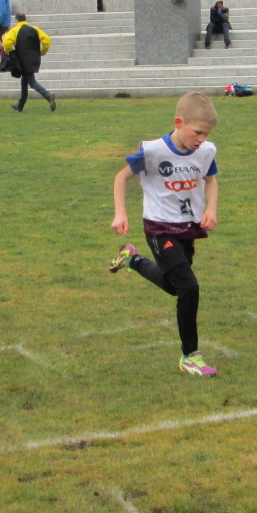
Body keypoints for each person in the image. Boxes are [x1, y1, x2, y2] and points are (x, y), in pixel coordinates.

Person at [108, 91, 221, 377]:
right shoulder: (153, 151)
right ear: (179, 122)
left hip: (188, 227)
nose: (201, 139)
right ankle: (190, 356)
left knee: (175, 287)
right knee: (189, 287)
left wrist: (211, 209)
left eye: (206, 134)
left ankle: (132, 259)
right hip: (159, 227)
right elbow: (121, 177)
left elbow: (210, 180)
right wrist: (121, 213)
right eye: (197, 132)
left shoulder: (206, 151)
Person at [2, 13, 55, 112]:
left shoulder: (14, 30)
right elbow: (47, 40)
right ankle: (20, 106)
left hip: (22, 59)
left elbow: (7, 42)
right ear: (25, 19)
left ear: (16, 20)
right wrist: (42, 51)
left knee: (32, 82)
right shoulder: (35, 29)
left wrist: (11, 52)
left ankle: (48, 95)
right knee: (24, 81)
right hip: (34, 59)